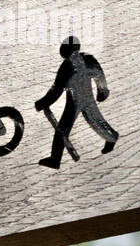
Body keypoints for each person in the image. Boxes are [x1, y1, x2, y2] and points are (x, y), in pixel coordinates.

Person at [33, 36, 118, 169]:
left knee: (62, 129)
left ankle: (55, 159)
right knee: (97, 120)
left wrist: (43, 103)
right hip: (87, 98)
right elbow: (98, 73)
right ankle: (111, 137)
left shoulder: (66, 67)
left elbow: (56, 90)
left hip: (74, 101)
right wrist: (102, 91)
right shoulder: (88, 59)